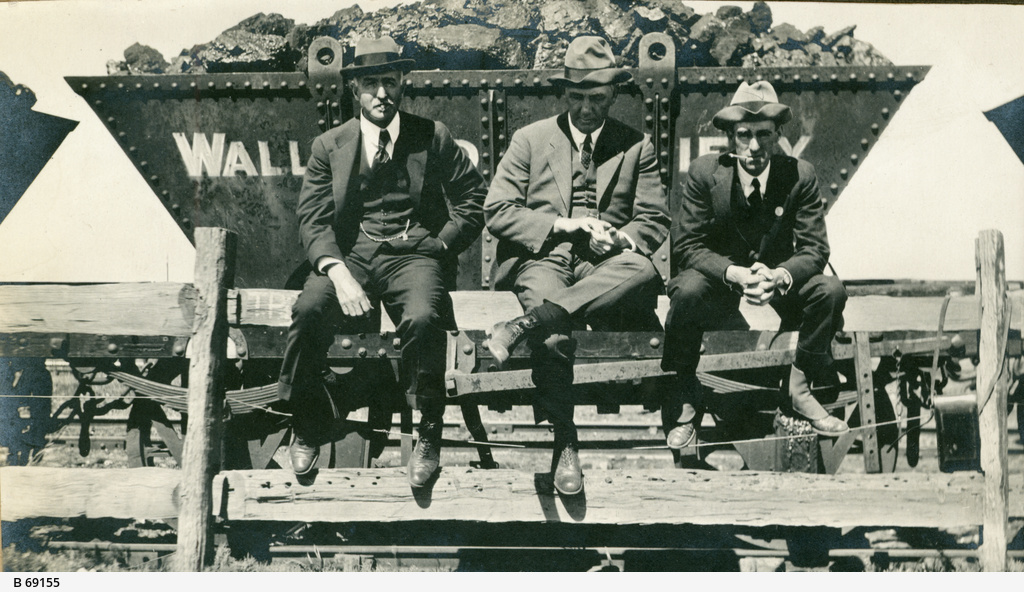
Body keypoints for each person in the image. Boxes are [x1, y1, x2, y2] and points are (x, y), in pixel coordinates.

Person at [278, 36, 487, 486]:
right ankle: (306, 420)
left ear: (403, 83)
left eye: (389, 83)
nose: (381, 94)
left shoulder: (432, 136)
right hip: (351, 255)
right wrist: (338, 272)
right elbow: (312, 221)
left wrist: (443, 245)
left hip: (413, 254)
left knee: (423, 317)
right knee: (309, 309)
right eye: (371, 84)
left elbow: (473, 199)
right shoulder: (329, 146)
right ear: (355, 89)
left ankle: (429, 432)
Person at [483, 36, 669, 495]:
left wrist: (620, 237)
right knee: (556, 337)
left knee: (643, 270)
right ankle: (565, 442)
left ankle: (526, 320)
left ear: (613, 95)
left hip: (602, 267)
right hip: (542, 258)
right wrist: (564, 226)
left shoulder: (636, 146)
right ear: (565, 94)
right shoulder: (530, 140)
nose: (587, 108)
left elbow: (654, 218)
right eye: (577, 98)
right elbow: (498, 210)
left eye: (597, 99)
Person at [661, 80, 849, 450]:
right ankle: (685, 396)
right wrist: (735, 273)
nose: (754, 147)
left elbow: (815, 249)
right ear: (731, 138)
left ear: (778, 135)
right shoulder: (704, 172)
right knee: (686, 291)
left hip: (776, 280)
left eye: (764, 135)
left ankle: (798, 385)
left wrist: (780, 275)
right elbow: (687, 245)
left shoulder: (800, 174)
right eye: (744, 135)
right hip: (723, 282)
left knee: (830, 290)